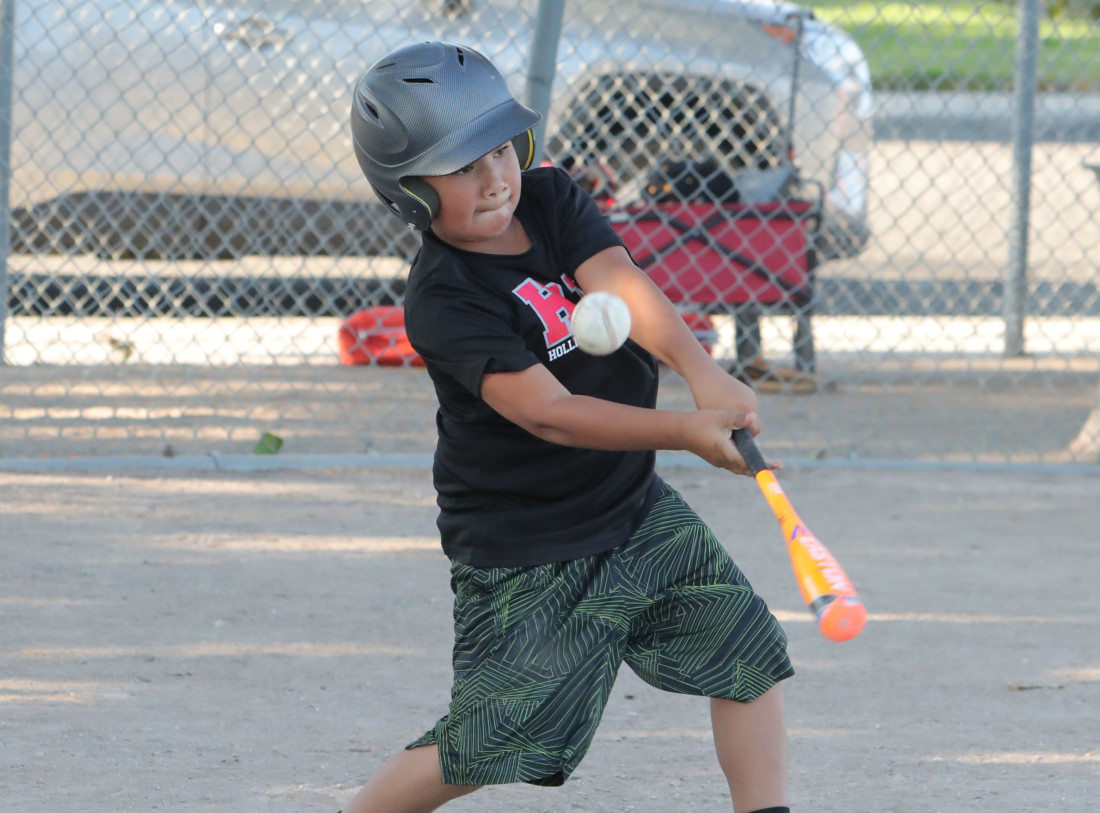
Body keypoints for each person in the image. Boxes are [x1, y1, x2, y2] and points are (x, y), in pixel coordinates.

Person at [341, 41, 794, 813]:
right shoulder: (444, 300)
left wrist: (701, 371)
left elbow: (619, 279)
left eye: (500, 150)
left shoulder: (548, 197)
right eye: (460, 167)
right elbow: (549, 415)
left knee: (743, 649)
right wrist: (682, 430)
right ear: (410, 192)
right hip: (525, 546)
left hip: (631, 509)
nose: (494, 180)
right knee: (499, 737)